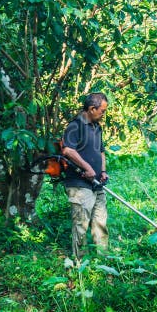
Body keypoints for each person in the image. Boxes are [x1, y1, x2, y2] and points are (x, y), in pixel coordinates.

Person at [61, 92, 110, 259]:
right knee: (81, 224)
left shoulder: (97, 127)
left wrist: (102, 171)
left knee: (100, 221)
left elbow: (101, 151)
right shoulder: (75, 126)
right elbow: (68, 150)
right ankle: (80, 262)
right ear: (92, 109)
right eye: (102, 111)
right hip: (79, 184)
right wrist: (87, 167)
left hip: (96, 183)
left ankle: (104, 258)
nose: (103, 114)